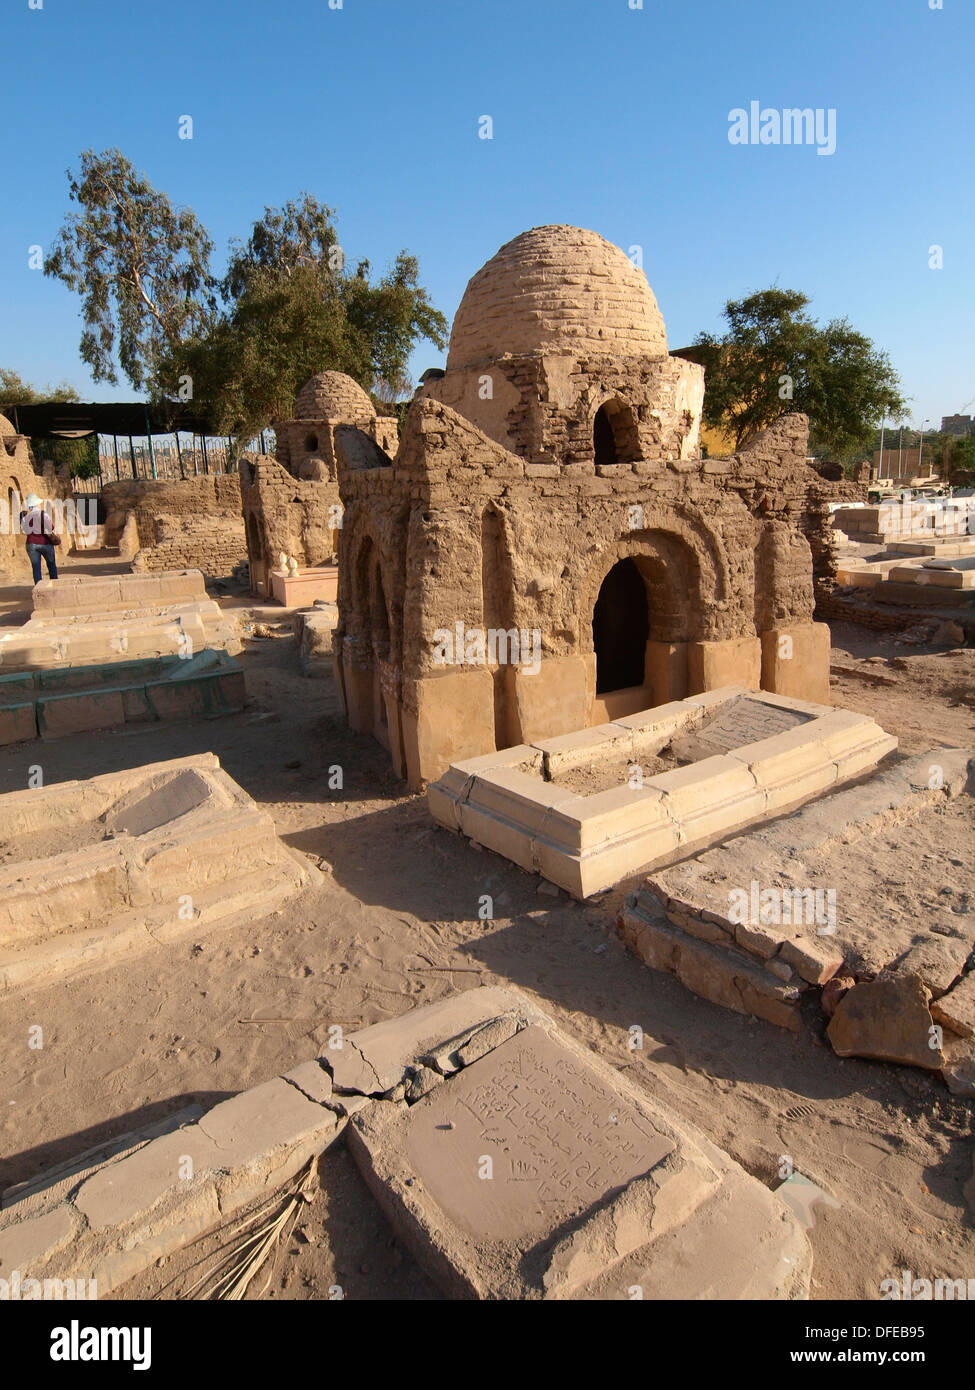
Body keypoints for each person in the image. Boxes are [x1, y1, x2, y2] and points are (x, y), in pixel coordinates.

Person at [19, 493, 60, 583]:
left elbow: (24, 531)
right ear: (37, 504)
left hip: (31, 544)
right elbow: (50, 527)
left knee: (36, 567)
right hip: (45, 543)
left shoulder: (25, 517)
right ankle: (55, 585)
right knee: (51, 565)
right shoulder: (43, 514)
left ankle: (38, 588)